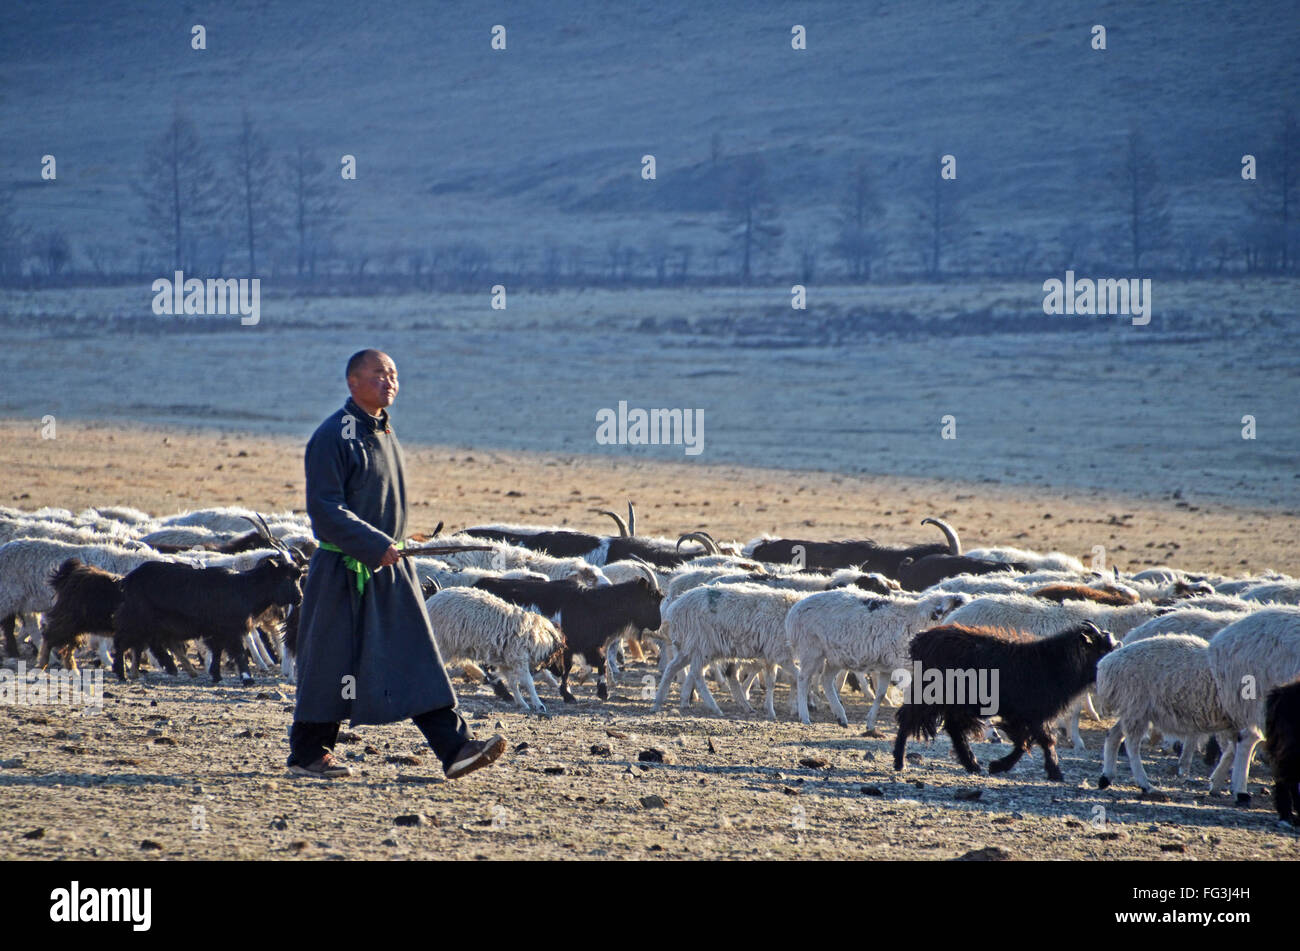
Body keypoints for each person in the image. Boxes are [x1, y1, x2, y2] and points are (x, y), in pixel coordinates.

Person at [286, 348, 504, 779]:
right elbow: (325, 509)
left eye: (394, 374)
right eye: (378, 374)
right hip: (343, 572)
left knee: (415, 656)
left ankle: (455, 747)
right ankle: (309, 753)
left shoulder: (383, 431)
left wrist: (389, 545)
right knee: (333, 662)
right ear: (352, 382)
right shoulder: (333, 436)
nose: (389, 381)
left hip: (388, 568)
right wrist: (372, 542)